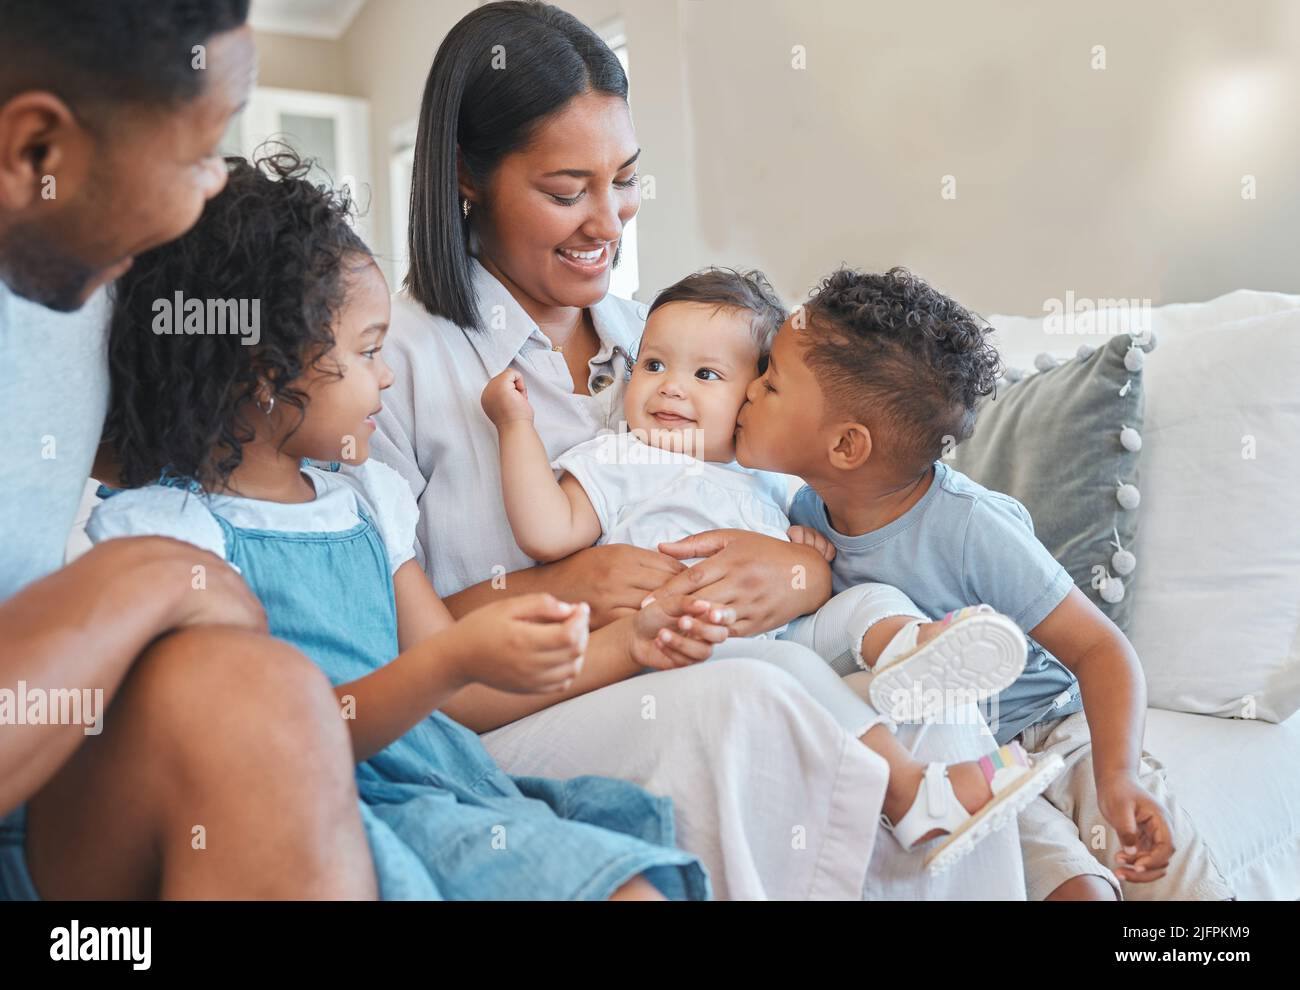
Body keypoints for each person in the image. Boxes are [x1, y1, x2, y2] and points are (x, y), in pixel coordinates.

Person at [371, 0, 1026, 898]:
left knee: (933, 705)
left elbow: (779, 499)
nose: (610, 222)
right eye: (567, 192)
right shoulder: (390, 365)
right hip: (516, 713)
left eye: (626, 180)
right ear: (465, 178)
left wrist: (793, 575)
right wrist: (564, 586)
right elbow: (387, 646)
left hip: (710, 648)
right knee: (756, 702)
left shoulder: (664, 335)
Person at [87, 151, 714, 900]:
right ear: (265, 374)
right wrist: (452, 661)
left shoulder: (368, 504)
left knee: (630, 880)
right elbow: (258, 745)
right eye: (368, 351)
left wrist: (629, 644)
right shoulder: (177, 534)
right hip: (328, 809)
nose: (386, 374)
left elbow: (456, 697)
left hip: (450, 790)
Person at [482, 265, 1061, 872]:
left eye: (706, 375)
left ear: (753, 393)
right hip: (682, 651)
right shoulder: (621, 457)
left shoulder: (770, 478)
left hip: (772, 634)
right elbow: (546, 532)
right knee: (784, 670)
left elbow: (809, 576)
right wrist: (514, 427)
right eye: (652, 366)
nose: (670, 389)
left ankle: (908, 649)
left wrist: (803, 554)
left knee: (862, 602)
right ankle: (910, 791)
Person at [0, 0, 376, 900]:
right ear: (37, 152)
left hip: (57, 808)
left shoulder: (84, 275)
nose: (212, 186)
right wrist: (148, 582)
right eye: (199, 153)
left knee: (249, 698)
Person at [734, 264, 1235, 901]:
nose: (747, 389)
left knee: (1179, 893)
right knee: (1075, 892)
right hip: (967, 757)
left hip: (1060, 726)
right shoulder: (797, 520)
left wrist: (1117, 777)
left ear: (846, 445)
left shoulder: (971, 526)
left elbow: (1101, 649)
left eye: (771, 382)